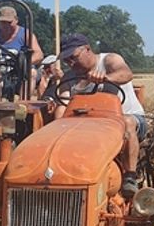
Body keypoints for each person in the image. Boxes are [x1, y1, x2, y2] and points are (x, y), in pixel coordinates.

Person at [57, 33, 146, 198]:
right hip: (89, 127)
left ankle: (130, 176)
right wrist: (57, 126)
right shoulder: (69, 77)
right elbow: (63, 103)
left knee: (126, 122)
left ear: (87, 49)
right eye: (66, 60)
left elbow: (126, 74)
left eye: (73, 57)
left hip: (128, 119)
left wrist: (106, 78)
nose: (71, 63)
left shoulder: (109, 60)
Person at [0, 5, 44, 104]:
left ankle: (21, 107)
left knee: (31, 73)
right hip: (1, 73)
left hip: (21, 74)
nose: (6, 26)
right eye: (3, 23)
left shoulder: (25, 34)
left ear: (16, 20)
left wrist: (23, 63)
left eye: (9, 23)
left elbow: (39, 54)